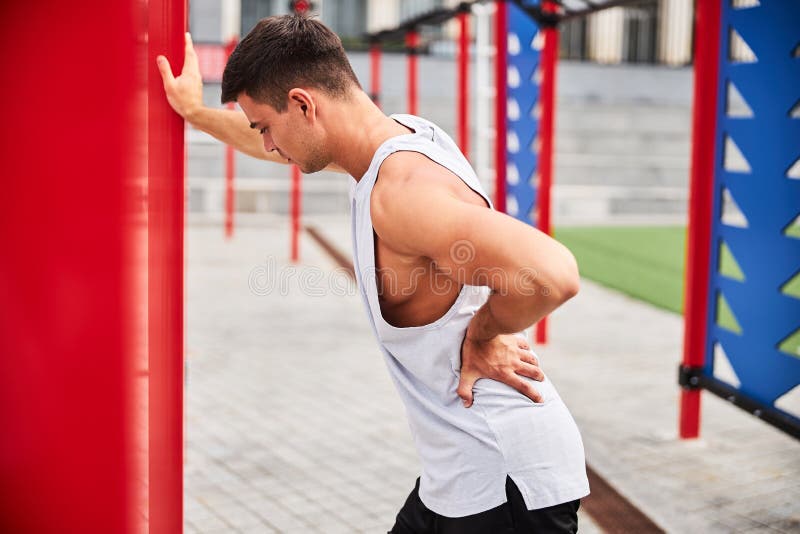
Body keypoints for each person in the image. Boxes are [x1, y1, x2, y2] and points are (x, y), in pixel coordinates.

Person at [157, 14, 589, 533]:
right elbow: (270, 145)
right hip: (457, 473)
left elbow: (553, 273)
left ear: (302, 104)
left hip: (505, 484)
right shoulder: (396, 139)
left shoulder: (401, 192)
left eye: (267, 127)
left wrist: (485, 332)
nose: (269, 145)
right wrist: (194, 112)